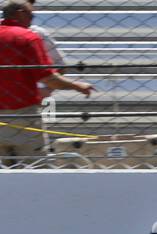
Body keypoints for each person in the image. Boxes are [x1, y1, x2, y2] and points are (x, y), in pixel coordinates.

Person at [0, 0, 92, 166]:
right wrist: (78, 86)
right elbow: (48, 77)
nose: (32, 20)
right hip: (23, 113)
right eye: (31, 15)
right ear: (21, 13)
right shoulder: (28, 37)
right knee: (34, 166)